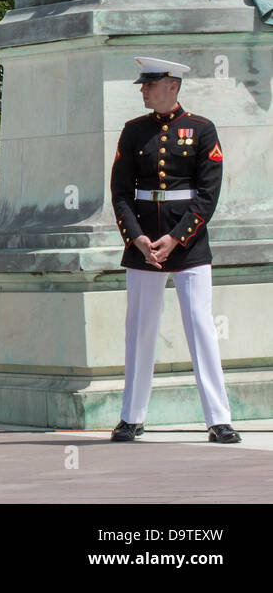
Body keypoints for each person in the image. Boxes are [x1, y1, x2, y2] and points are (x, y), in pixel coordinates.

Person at [109, 57, 240, 444]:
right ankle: (131, 417)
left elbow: (207, 195)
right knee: (139, 330)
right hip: (144, 242)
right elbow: (120, 193)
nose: (143, 90)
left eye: (150, 84)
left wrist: (178, 238)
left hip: (188, 244)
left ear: (172, 85)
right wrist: (136, 237)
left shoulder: (201, 130)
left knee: (201, 328)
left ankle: (218, 419)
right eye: (143, 85)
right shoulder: (133, 132)